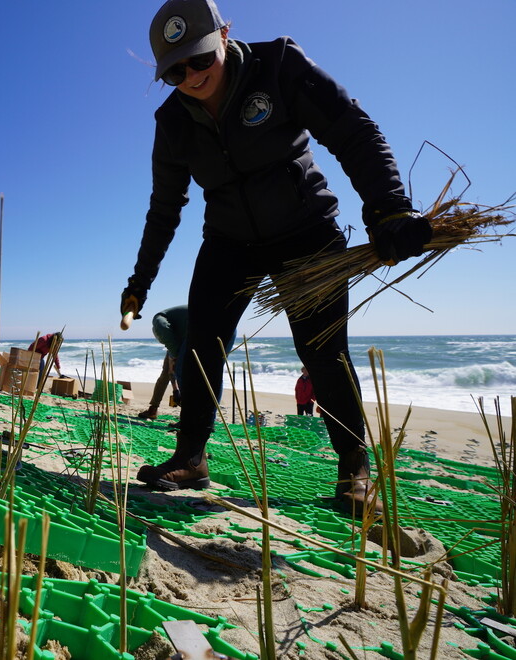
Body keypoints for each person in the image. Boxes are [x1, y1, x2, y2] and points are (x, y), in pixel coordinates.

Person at [120, 0, 431, 515]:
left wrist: (389, 209)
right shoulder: (171, 121)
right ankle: (191, 457)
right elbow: (164, 207)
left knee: (322, 351)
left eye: (199, 59)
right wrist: (139, 283)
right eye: (175, 70)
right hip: (228, 241)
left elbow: (353, 131)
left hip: (305, 232)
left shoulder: (280, 66)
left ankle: (354, 466)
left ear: (225, 33)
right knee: (200, 344)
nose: (191, 76)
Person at [137, 306, 188, 420]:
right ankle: (153, 409)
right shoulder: (171, 329)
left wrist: (176, 391)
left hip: (194, 336)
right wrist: (175, 390)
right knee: (165, 374)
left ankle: (186, 417)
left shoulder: (161, 324)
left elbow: (174, 368)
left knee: (186, 376)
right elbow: (170, 370)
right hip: (181, 337)